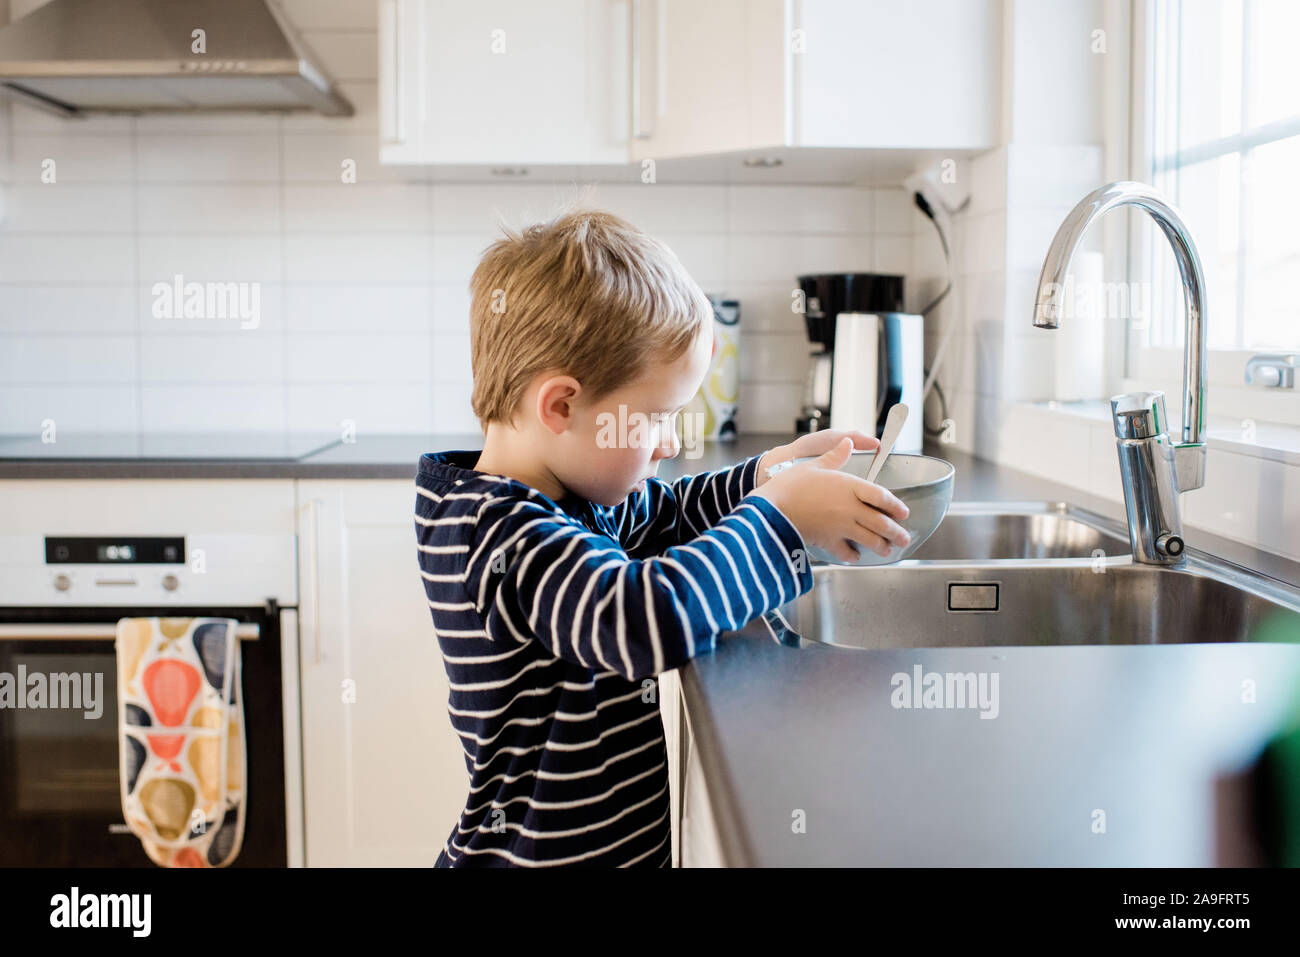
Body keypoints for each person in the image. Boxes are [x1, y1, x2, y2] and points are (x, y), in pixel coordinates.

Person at [415, 204, 910, 866]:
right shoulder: (501, 534)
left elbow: (669, 514)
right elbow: (641, 618)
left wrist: (767, 476)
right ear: (560, 406)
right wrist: (781, 517)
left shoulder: (567, 495)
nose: (669, 441)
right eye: (654, 417)